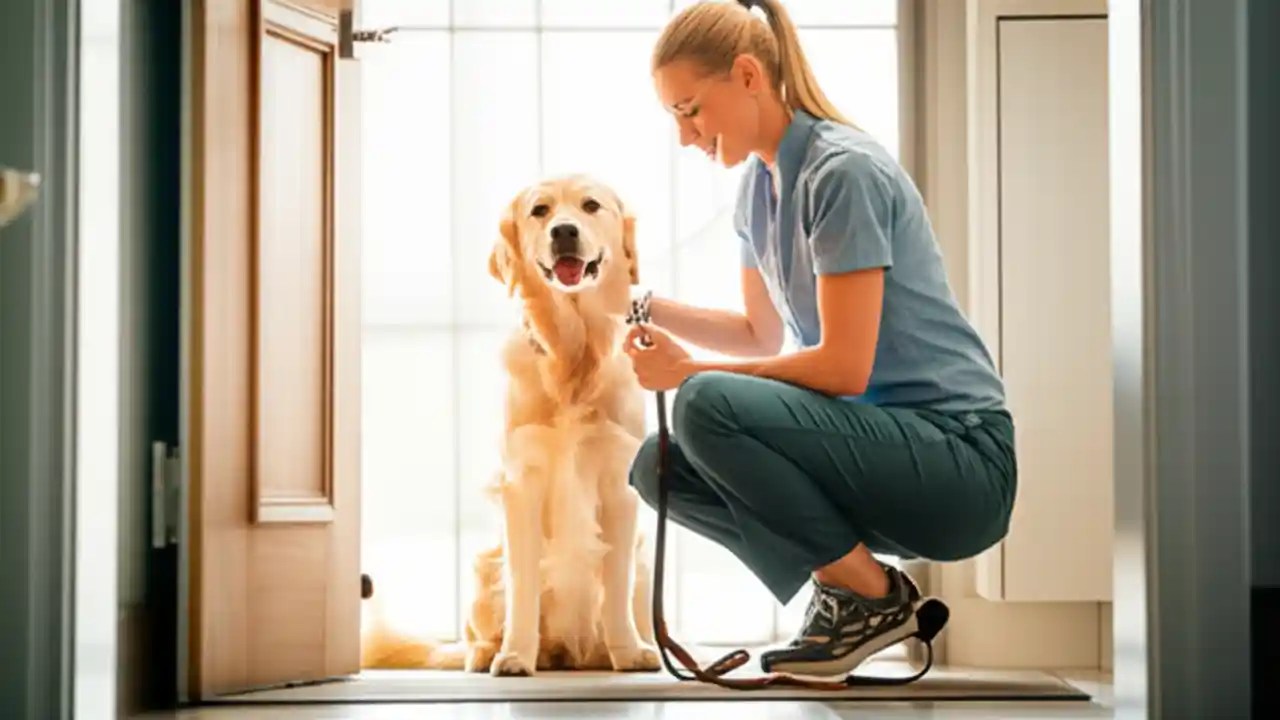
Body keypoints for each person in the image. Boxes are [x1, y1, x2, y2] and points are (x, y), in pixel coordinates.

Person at [623, 0, 1017, 677]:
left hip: (960, 464)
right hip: (879, 455)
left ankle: (866, 597)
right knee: (658, 464)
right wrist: (638, 304)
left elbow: (842, 368)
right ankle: (852, 589)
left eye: (690, 109)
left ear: (747, 75)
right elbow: (757, 333)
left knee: (704, 404)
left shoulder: (844, 172)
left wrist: (689, 374)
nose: (687, 136)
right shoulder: (757, 189)